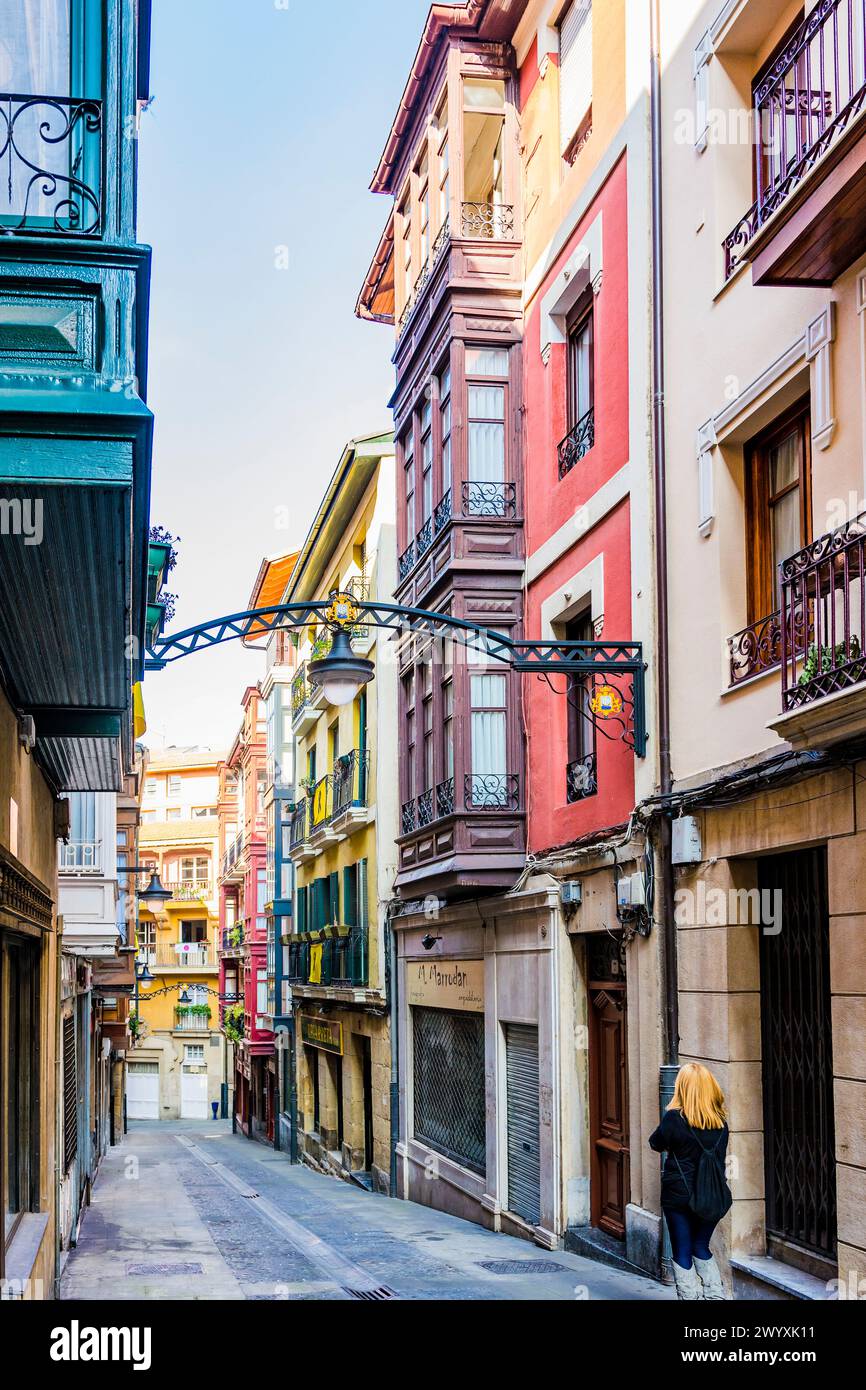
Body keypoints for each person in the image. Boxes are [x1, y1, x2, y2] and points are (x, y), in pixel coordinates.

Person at [649, 1062, 729, 1300]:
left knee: (682, 1250)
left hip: (679, 1196)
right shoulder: (721, 1123)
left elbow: (656, 1143)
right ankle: (716, 1297)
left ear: (683, 1089)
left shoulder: (674, 1119)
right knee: (701, 1246)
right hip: (712, 1196)